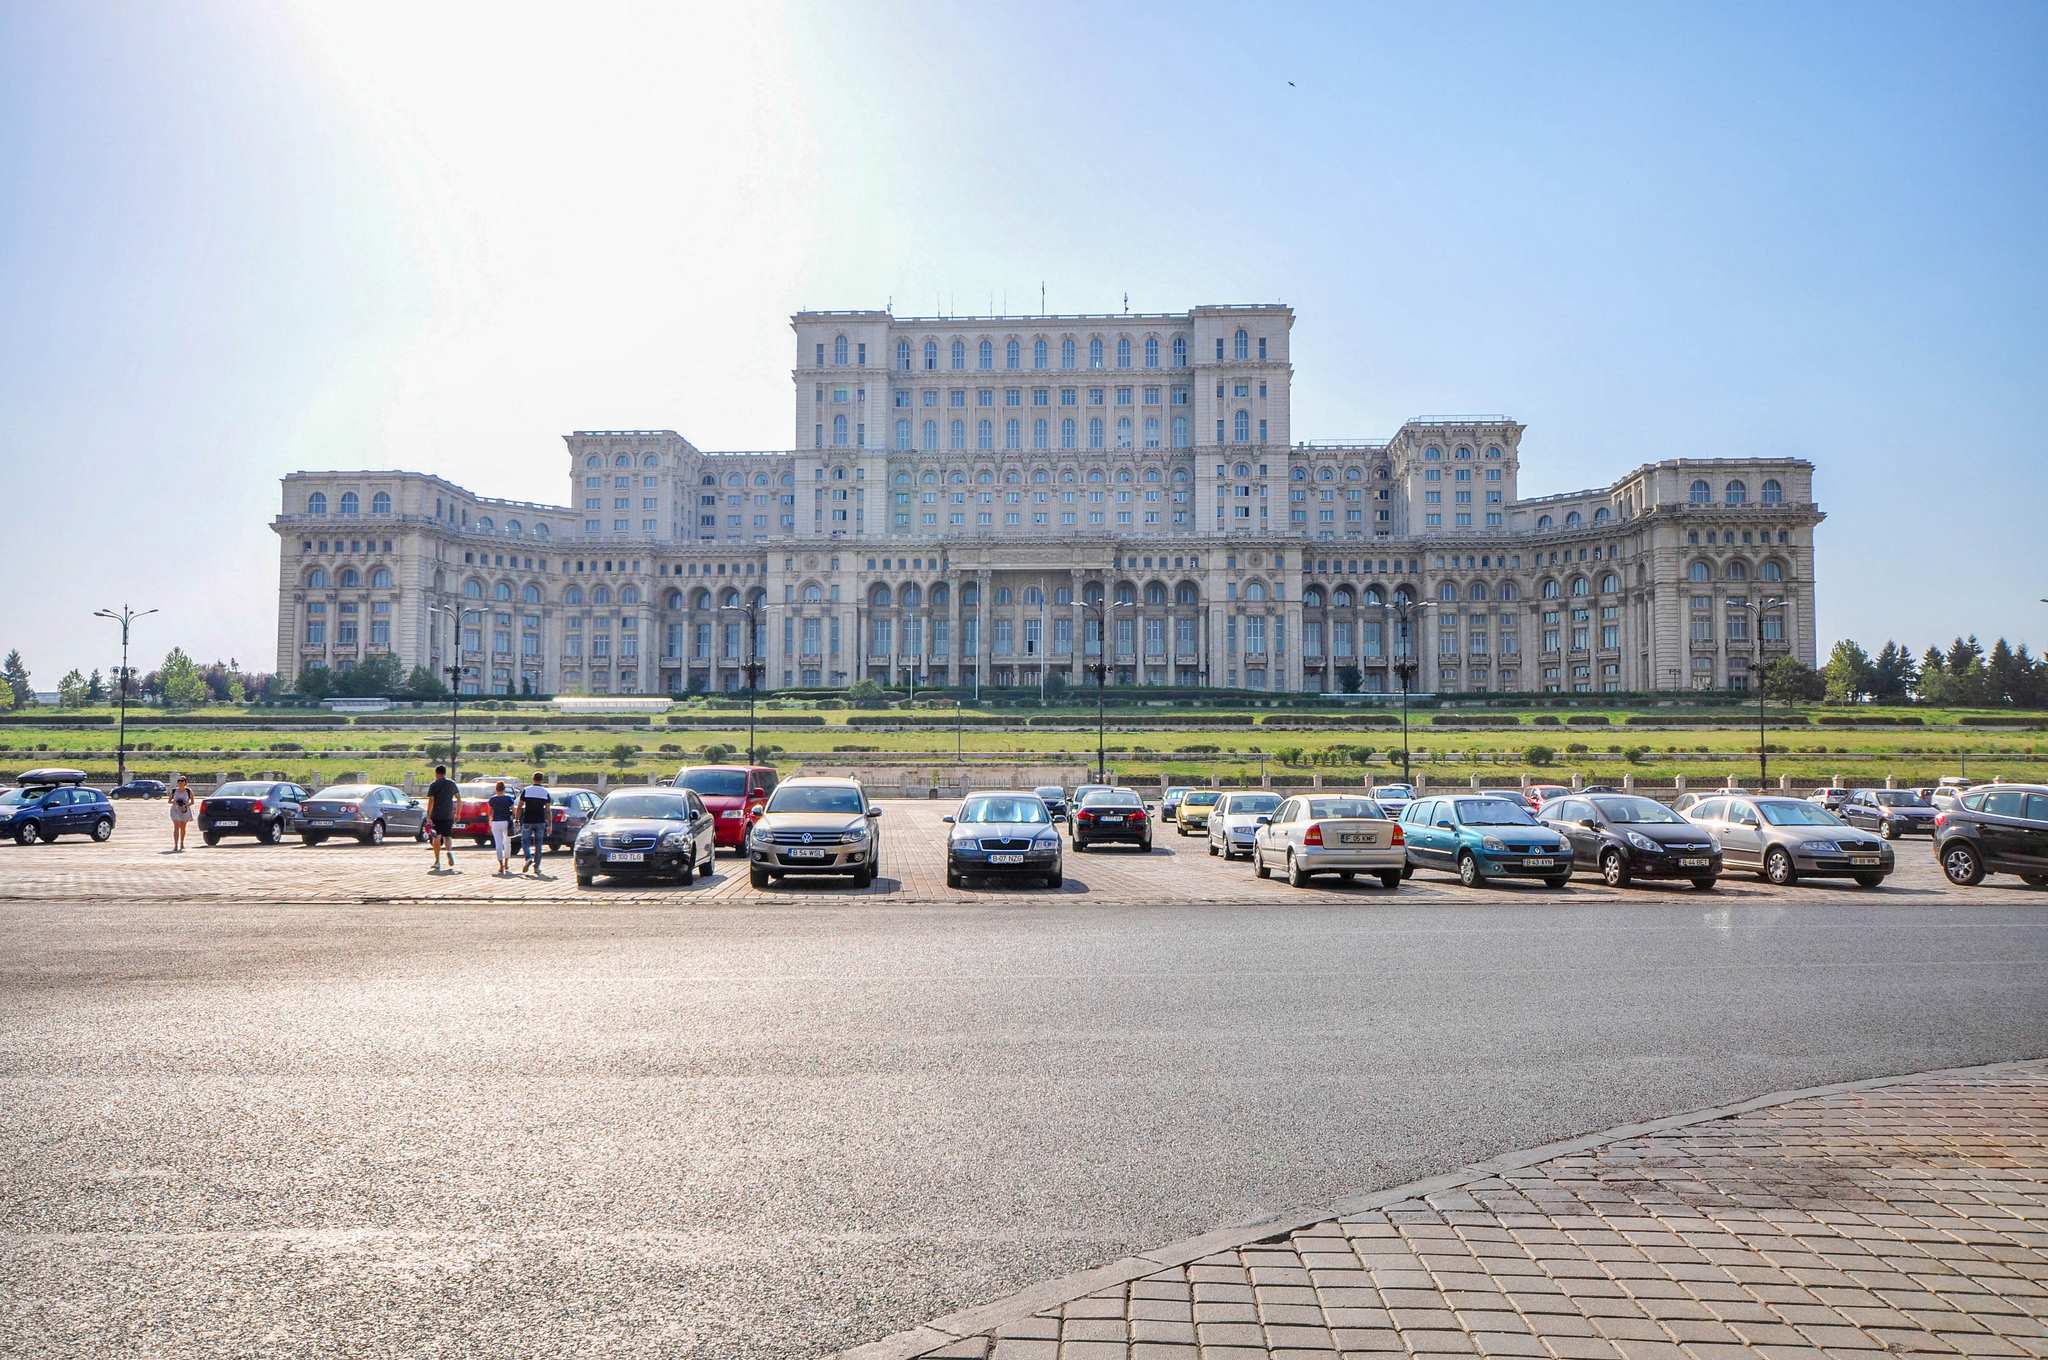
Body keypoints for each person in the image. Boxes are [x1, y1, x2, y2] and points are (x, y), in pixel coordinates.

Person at [425, 764, 460, 873]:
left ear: (436, 773)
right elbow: (459, 799)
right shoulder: (451, 783)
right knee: (447, 836)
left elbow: (431, 801)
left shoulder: (434, 784)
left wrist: (428, 816)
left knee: (436, 837)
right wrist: (457, 813)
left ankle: (437, 861)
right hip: (448, 814)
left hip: (436, 815)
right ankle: (449, 851)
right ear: (445, 773)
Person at [517, 772, 552, 876]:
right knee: (538, 844)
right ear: (542, 780)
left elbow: (520, 806)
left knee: (525, 842)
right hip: (540, 821)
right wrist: (550, 824)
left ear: (533, 779)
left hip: (527, 820)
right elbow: (548, 810)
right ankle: (537, 867)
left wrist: (517, 819)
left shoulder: (527, 790)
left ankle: (528, 858)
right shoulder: (545, 792)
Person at [487, 780, 516, 876]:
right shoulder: (508, 798)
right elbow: (514, 810)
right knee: (507, 843)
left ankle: (501, 865)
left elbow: (490, 812)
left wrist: (490, 821)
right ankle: (507, 863)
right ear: (504, 789)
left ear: (496, 789)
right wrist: (515, 819)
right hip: (506, 822)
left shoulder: (492, 799)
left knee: (498, 844)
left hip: (495, 822)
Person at [168, 776, 195, 852]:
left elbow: (192, 802)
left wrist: (185, 805)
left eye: (182, 781)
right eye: (179, 781)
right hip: (175, 810)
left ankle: (182, 843)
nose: (180, 782)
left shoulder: (188, 791)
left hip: (184, 810)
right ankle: (176, 845)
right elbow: (169, 801)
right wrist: (174, 802)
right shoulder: (174, 791)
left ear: (185, 782)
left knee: (183, 827)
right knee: (176, 827)